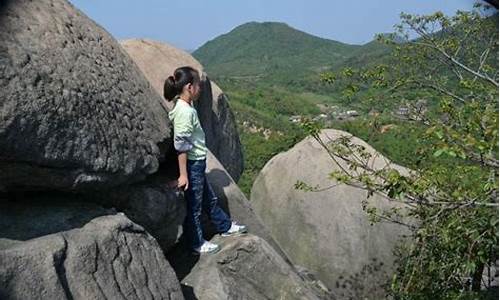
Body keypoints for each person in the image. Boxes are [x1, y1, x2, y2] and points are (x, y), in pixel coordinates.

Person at [163, 66, 247, 255]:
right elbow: (181, 145)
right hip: (193, 165)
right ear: (189, 87)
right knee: (195, 206)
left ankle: (224, 226)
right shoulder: (185, 112)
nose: (201, 89)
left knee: (209, 199)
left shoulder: (184, 105)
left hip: (197, 164)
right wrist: (183, 175)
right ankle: (196, 243)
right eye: (198, 86)